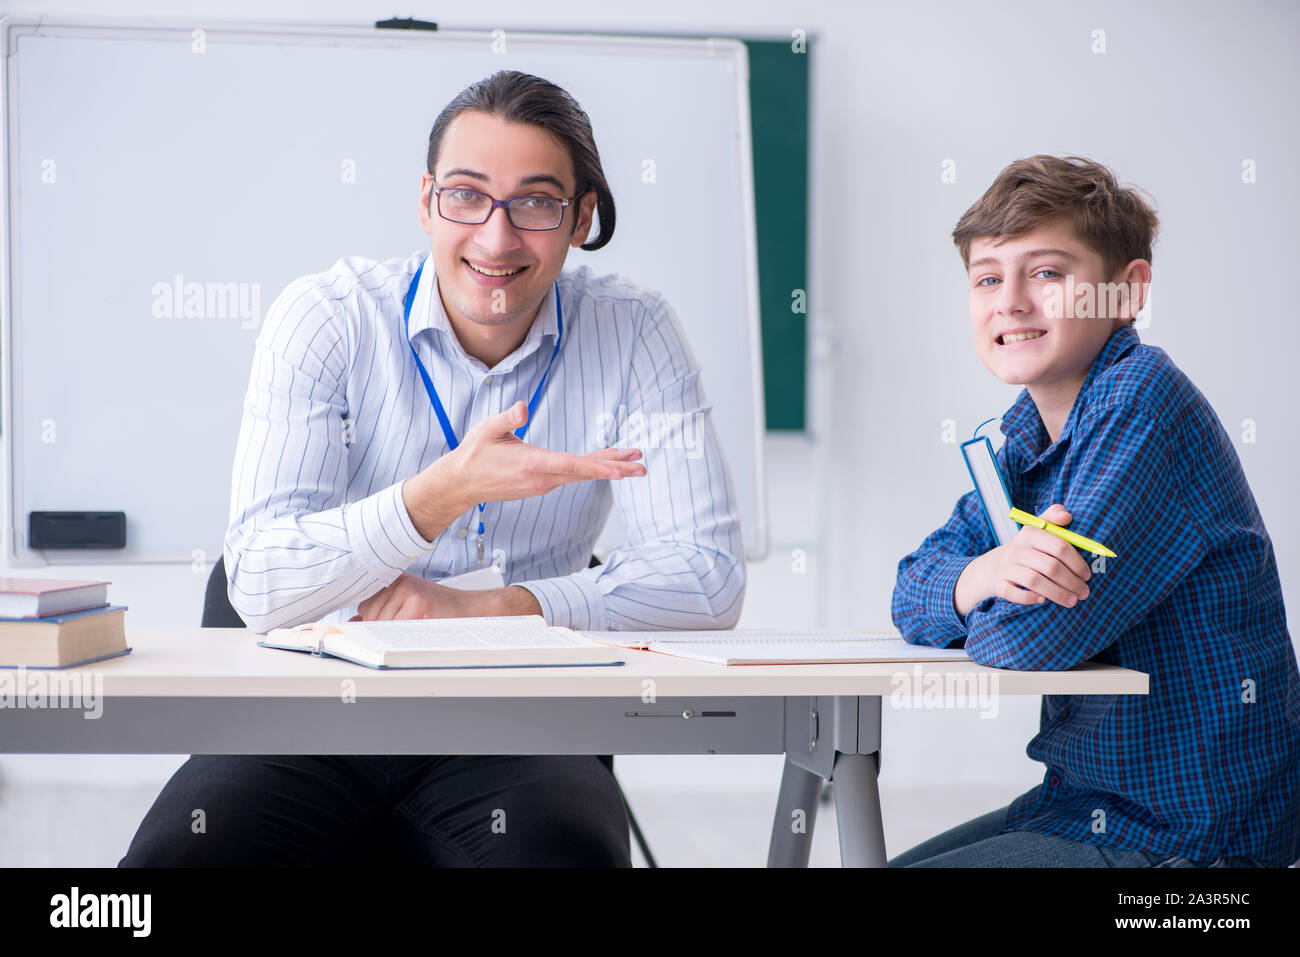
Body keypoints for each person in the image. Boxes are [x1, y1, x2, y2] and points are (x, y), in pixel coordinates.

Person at [120, 70, 745, 867]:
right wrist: (439, 494)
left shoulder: (634, 332)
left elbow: (708, 577)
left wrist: (489, 608)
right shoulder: (329, 318)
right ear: (426, 203)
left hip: (513, 719)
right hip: (310, 707)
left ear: (582, 217)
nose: (496, 237)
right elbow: (262, 582)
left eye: (537, 202)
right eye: (467, 196)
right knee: (171, 868)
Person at [889, 155, 1300, 868]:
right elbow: (910, 586)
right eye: (988, 277)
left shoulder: (1141, 400)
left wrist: (985, 596)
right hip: (1082, 805)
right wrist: (987, 572)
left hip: (1196, 842)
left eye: (1047, 273)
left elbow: (1034, 639)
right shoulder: (1021, 438)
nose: (1010, 301)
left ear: (1129, 289)